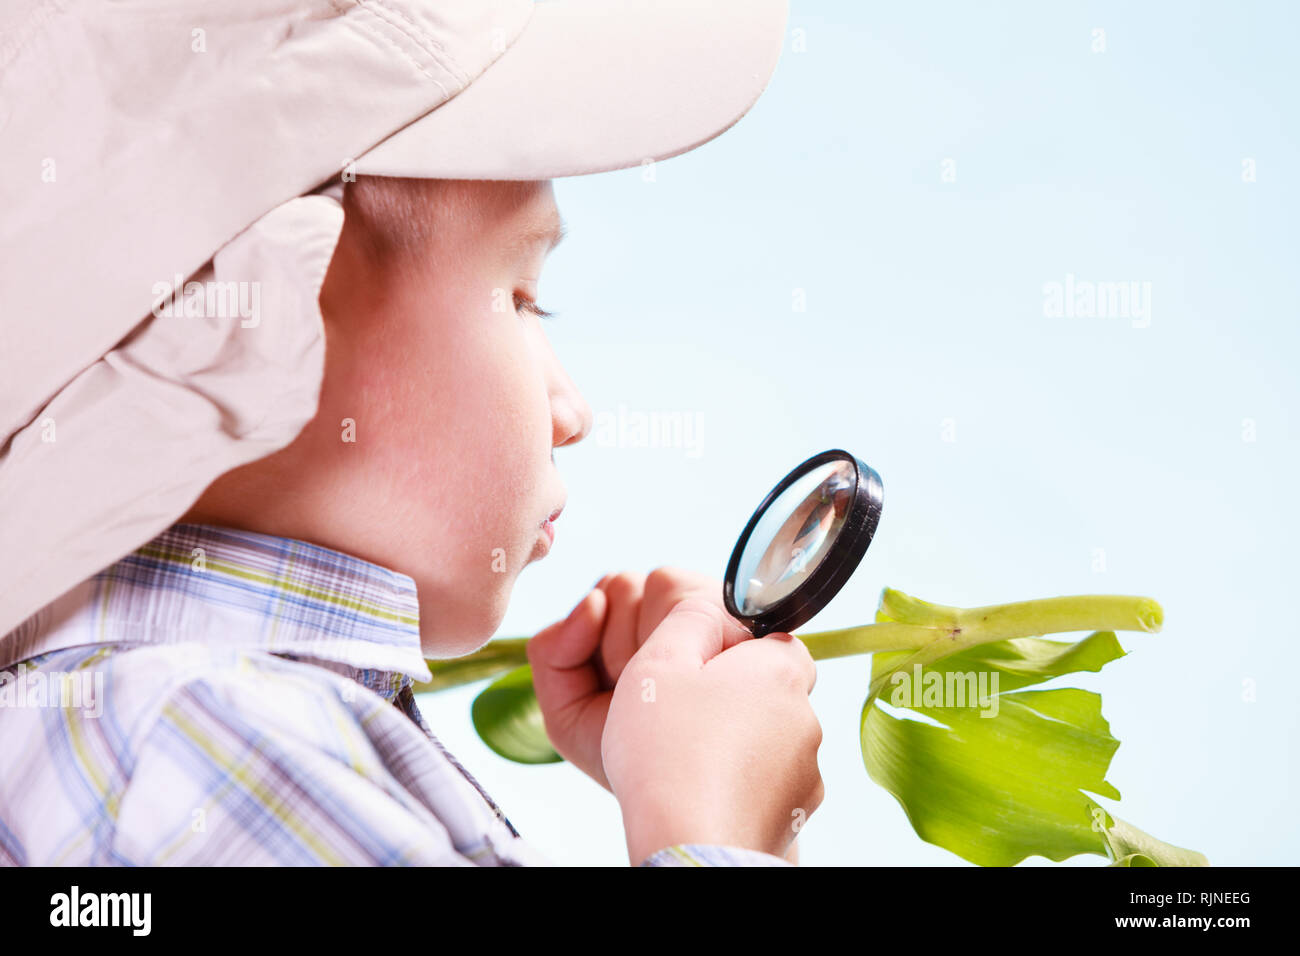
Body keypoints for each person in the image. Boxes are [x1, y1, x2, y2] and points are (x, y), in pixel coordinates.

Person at [0, 0, 821, 866]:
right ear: (284, 307)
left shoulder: (118, 735)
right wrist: (712, 829)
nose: (574, 413)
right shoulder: (205, 738)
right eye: (523, 298)